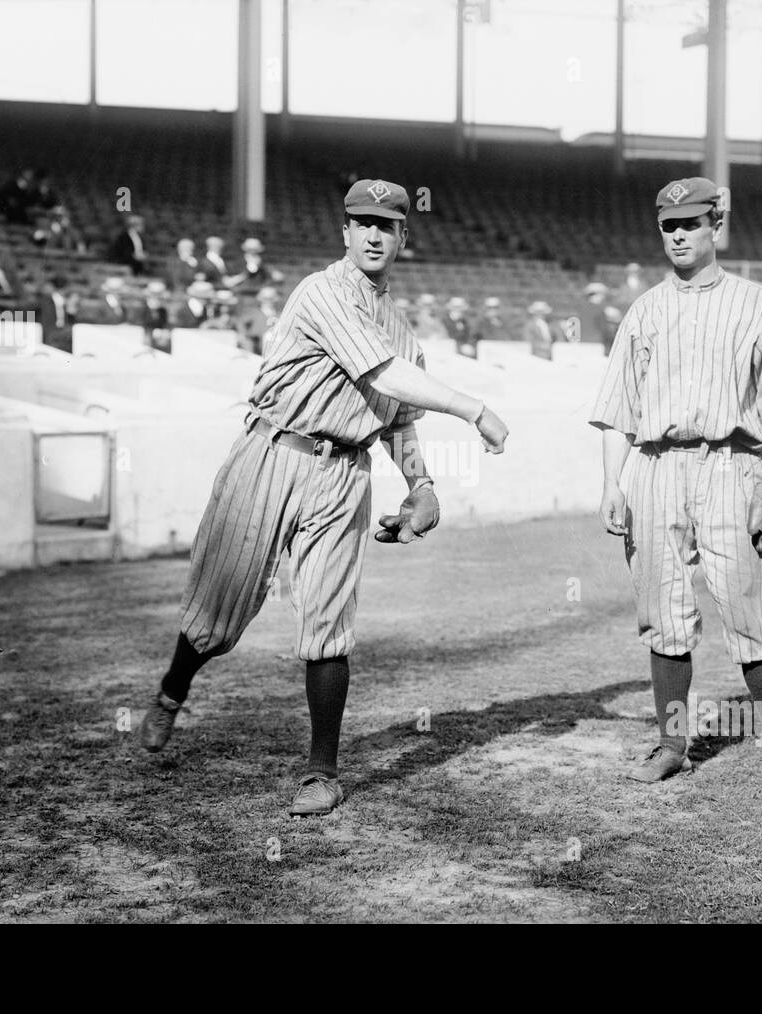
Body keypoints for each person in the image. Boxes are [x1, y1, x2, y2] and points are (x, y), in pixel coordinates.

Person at [136, 178, 510, 818]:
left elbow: (396, 415)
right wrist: (472, 408)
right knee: (218, 614)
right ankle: (173, 691)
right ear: (344, 231)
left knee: (328, 623)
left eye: (385, 225)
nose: (372, 234)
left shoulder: (399, 326)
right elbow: (383, 374)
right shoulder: (322, 290)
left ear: (401, 237)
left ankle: (321, 772)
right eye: (361, 222)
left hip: (343, 474)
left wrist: (421, 485)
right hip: (273, 452)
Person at [591, 176, 762, 797]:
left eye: (691, 223)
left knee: (750, 609)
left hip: (730, 463)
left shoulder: (754, 302)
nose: (680, 235)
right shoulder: (645, 309)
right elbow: (616, 409)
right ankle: (671, 745)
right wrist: (612, 483)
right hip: (657, 468)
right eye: (669, 226)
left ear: (715, 227)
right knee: (662, 613)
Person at [238, 285, 282, 355]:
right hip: (256, 349)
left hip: (275, 350)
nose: (268, 301)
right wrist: (243, 336)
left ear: (274, 300)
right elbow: (241, 324)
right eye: (265, 299)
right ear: (261, 299)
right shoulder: (253, 313)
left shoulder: (280, 315)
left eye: (270, 299)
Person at [38, 274, 76, 352]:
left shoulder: (65, 301)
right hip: (50, 332)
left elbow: (71, 316)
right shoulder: (45, 300)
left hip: (63, 331)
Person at [580, 282, 620, 353]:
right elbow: (606, 330)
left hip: (581, 345)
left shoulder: (580, 309)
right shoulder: (602, 310)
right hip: (597, 346)